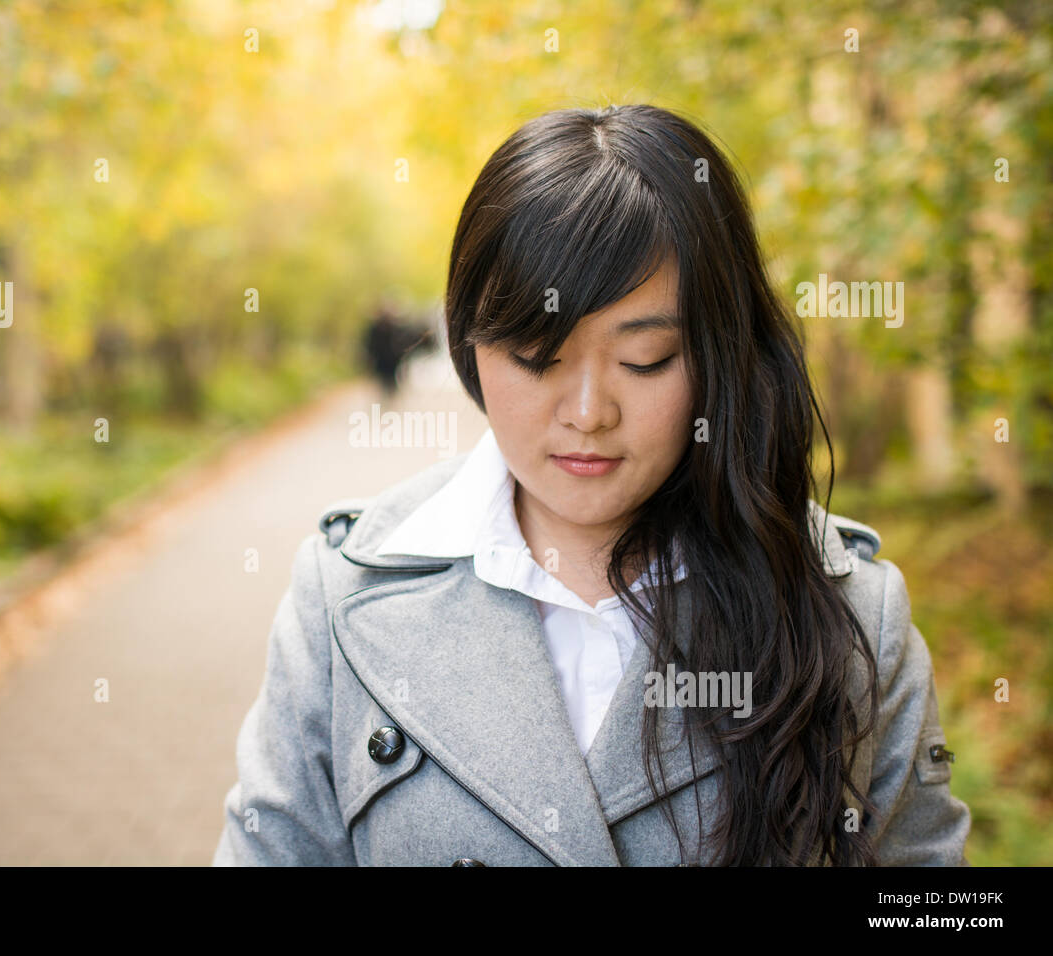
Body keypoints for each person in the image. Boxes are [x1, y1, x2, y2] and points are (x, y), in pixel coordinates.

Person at [212, 104, 971, 866]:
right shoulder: (344, 595)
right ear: (468, 344)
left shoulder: (848, 615)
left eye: (645, 360)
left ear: (721, 355)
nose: (587, 415)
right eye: (538, 359)